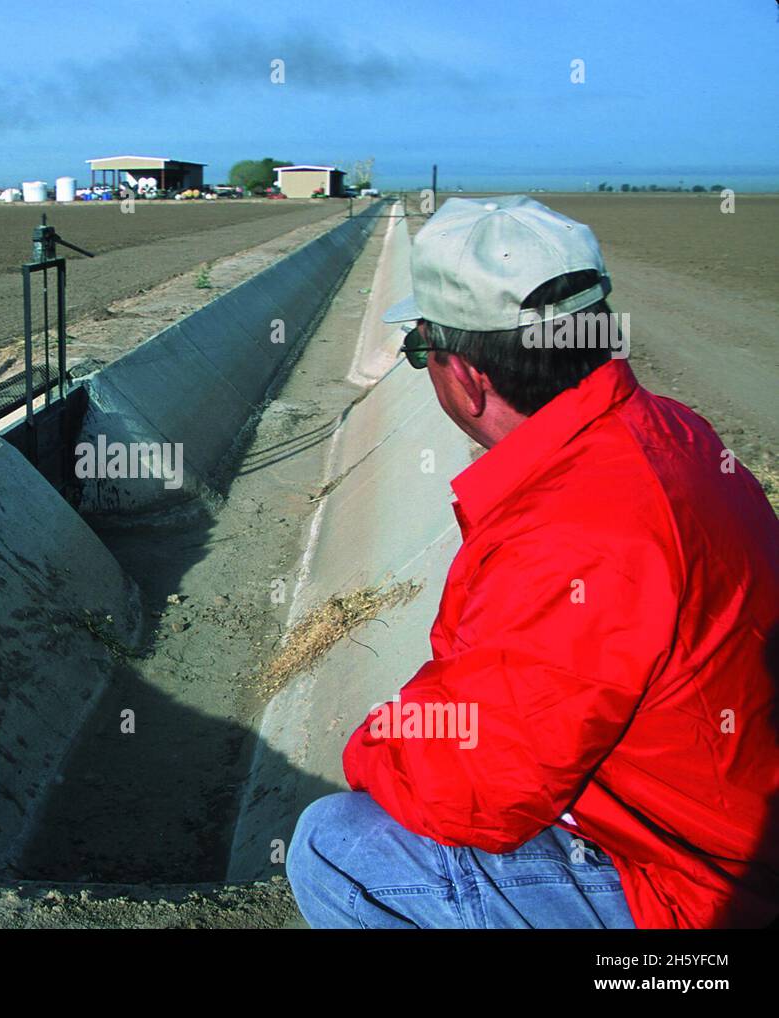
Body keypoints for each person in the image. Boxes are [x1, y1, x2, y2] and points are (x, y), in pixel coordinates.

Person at [286, 196, 779, 929]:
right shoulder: (674, 433)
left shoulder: (574, 532)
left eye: (422, 351)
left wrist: (371, 746)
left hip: (694, 891)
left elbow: (474, 789)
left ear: (469, 378)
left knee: (335, 845)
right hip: (717, 822)